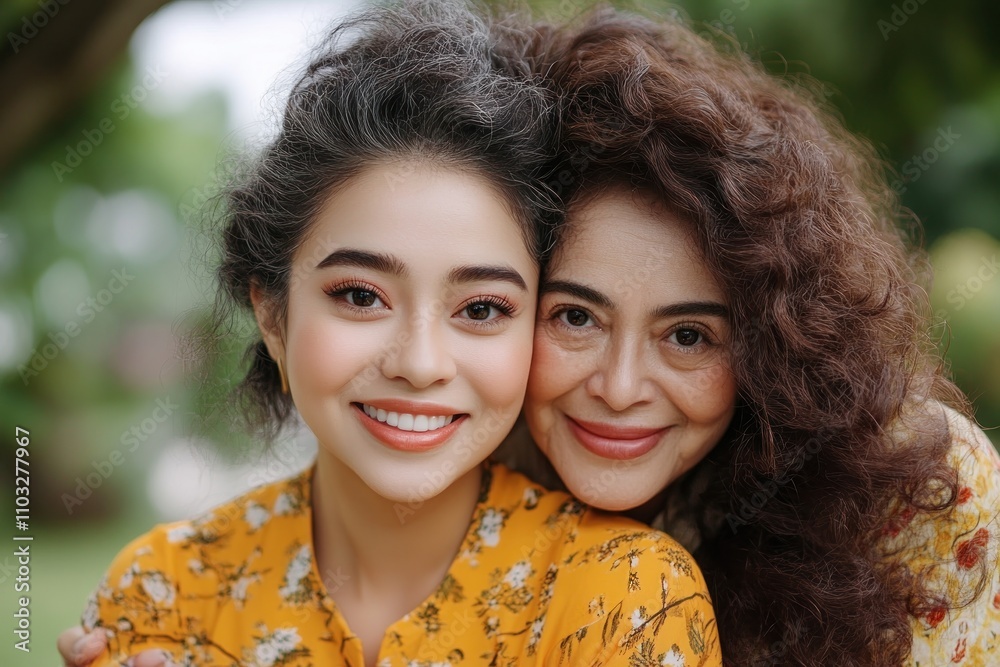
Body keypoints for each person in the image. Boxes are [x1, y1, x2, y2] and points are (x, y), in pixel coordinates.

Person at [61, 3, 721, 667]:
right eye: (360, 295)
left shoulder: (629, 595)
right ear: (272, 316)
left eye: (483, 308)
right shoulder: (161, 592)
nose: (420, 363)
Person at [508, 8, 1000, 666]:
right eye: (575, 317)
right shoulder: (446, 478)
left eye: (688, 335)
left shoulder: (916, 488)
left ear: (769, 344)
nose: (620, 388)